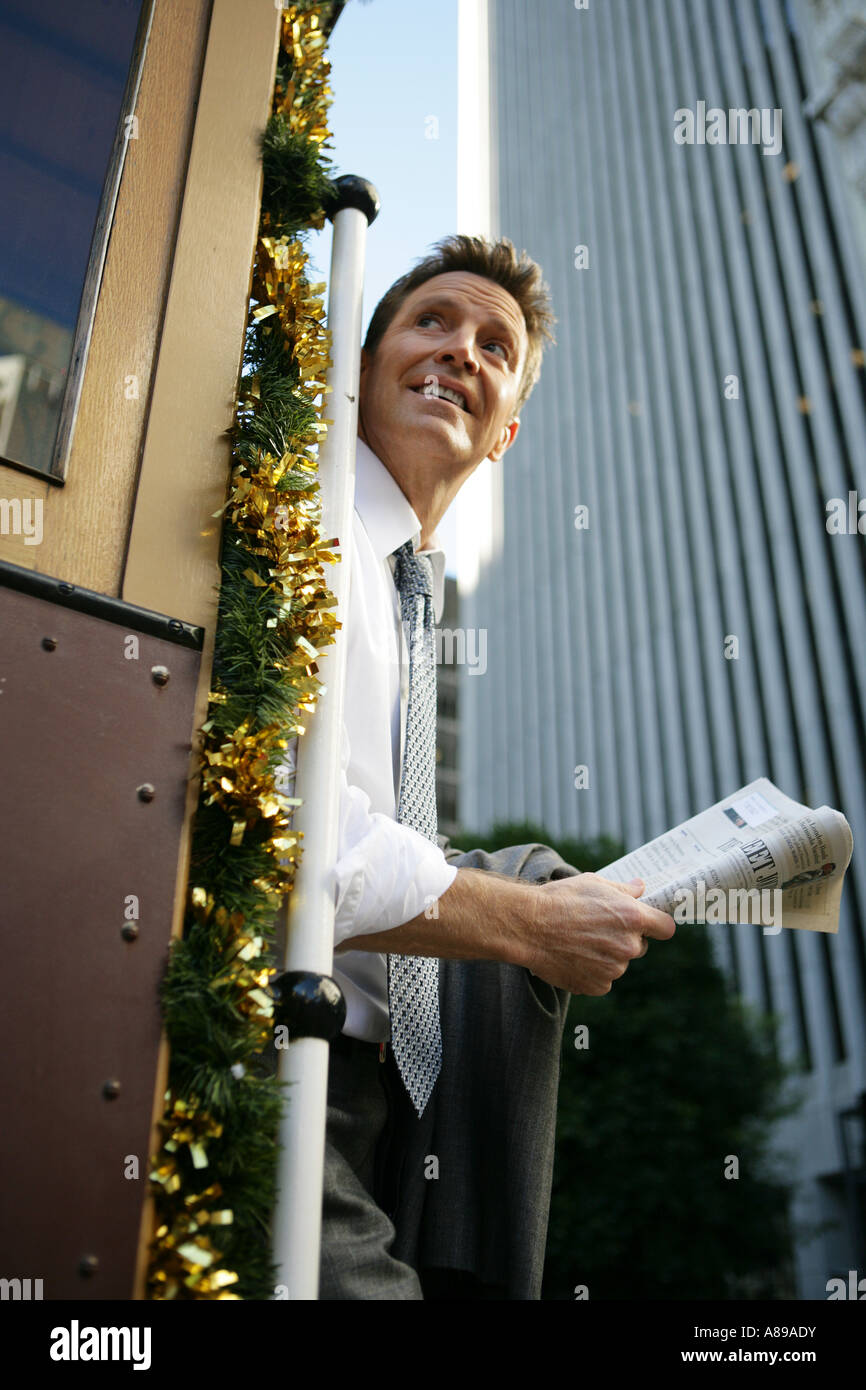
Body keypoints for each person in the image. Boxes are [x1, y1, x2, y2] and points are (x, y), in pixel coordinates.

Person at [289, 234, 677, 1299]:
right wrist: (530, 927)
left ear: (503, 430)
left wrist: (543, 899)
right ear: (364, 365)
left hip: (377, 1100)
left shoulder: (414, 601)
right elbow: (290, 838)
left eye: (493, 345)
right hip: (268, 1058)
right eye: (431, 323)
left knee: (533, 864)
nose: (461, 349)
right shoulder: (297, 526)